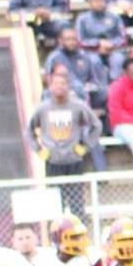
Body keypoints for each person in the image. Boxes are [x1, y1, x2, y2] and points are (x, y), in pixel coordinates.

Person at [28, 67, 102, 217]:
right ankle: (56, 238)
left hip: (74, 160)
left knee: (77, 203)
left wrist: (85, 147)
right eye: (56, 83)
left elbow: (96, 126)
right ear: (50, 86)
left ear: (68, 86)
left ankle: (80, 234)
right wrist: (39, 150)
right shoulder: (43, 108)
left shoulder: (78, 106)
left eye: (63, 83)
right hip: (53, 162)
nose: (60, 87)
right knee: (55, 205)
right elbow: (28, 131)